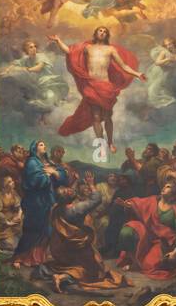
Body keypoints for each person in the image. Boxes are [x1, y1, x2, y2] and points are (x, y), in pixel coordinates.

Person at [48, 26, 145, 152]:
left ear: (107, 35)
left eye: (105, 31)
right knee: (96, 116)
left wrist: (137, 74)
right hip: (91, 86)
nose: (102, 33)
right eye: (100, 30)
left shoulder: (110, 49)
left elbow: (123, 66)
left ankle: (110, 142)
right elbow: (69, 51)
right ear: (95, 33)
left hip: (105, 86)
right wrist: (58, 41)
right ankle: (101, 144)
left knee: (108, 116)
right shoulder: (87, 47)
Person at [12, 140, 68, 269]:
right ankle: (20, 257)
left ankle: (37, 258)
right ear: (35, 147)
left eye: (44, 144)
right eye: (41, 144)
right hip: (35, 202)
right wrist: (48, 175)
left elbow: (63, 175)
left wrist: (54, 173)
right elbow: (34, 181)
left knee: (46, 230)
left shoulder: (45, 161)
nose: (44, 146)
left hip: (47, 200)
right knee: (33, 229)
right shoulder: (32, 162)